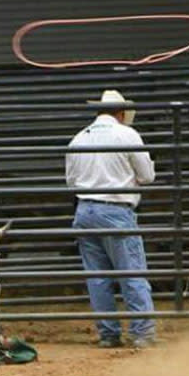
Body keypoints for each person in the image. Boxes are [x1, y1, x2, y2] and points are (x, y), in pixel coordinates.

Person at [66, 89, 157, 349]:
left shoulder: (79, 139)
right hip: (116, 209)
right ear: (121, 113)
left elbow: (71, 181)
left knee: (98, 276)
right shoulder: (127, 135)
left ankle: (108, 334)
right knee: (131, 272)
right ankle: (142, 333)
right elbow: (147, 175)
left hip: (84, 210)